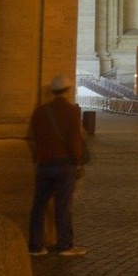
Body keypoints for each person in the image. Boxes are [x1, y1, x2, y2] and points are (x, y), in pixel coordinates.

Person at [27, 75, 88, 257]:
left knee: (39, 206)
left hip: (43, 164)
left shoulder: (39, 111)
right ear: (68, 91)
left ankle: (36, 246)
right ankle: (65, 245)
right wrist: (78, 164)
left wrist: (37, 157)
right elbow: (74, 141)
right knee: (63, 207)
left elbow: (31, 138)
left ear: (52, 92)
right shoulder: (71, 111)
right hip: (64, 164)